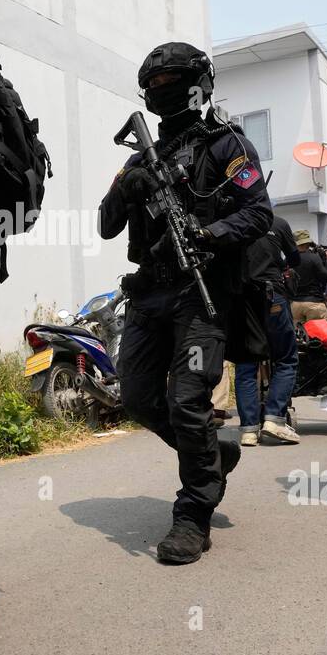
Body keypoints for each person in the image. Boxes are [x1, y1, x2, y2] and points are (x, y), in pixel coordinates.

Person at [99, 41, 273, 564]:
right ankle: (212, 457)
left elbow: (258, 213)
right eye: (152, 85)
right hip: (151, 293)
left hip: (203, 294)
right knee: (135, 397)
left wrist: (209, 232)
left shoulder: (227, 146)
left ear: (198, 82)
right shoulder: (137, 157)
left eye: (170, 82)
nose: (161, 91)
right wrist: (128, 186)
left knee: (188, 401)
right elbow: (106, 226)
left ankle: (193, 513)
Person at [235, 217, 301, 446]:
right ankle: (274, 419)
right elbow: (294, 258)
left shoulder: (232, 222)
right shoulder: (279, 223)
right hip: (272, 296)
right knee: (286, 359)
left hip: (243, 300)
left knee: (245, 364)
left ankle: (249, 430)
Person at [291, 229, 327, 323]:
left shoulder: (289, 259)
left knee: (299, 336)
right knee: (319, 335)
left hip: (295, 304)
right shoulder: (314, 258)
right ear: (308, 243)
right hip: (314, 302)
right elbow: (325, 277)